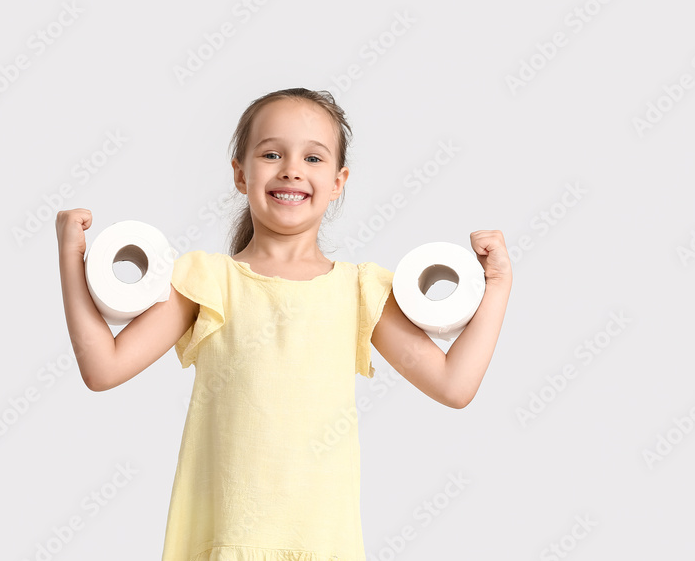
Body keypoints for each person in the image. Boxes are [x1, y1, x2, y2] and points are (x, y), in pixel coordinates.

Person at [55, 87, 513, 560]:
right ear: (240, 173)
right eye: (272, 153)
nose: (292, 168)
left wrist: (497, 284)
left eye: (313, 158)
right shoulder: (207, 281)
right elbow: (103, 368)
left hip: (320, 546)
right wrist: (72, 258)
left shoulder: (359, 291)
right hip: (225, 543)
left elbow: (454, 385)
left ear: (339, 181)